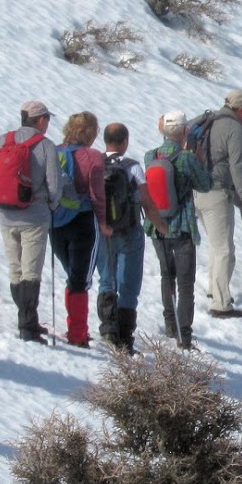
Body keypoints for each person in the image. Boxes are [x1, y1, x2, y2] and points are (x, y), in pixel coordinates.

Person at [0, 100, 61, 343]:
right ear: (39, 120)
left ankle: (26, 318)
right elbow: (54, 185)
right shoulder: (46, 146)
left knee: (16, 269)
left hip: (6, 215)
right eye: (47, 119)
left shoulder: (4, 140)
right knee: (31, 270)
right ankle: (27, 325)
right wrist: (51, 204)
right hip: (35, 216)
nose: (48, 123)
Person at [94, 122, 170, 353]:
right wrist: (160, 226)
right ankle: (125, 336)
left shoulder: (96, 164)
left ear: (105, 141)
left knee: (106, 279)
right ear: (125, 142)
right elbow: (147, 201)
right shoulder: (133, 167)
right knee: (129, 283)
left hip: (102, 229)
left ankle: (108, 329)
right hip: (129, 231)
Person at [147, 111, 212, 349]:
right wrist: (198, 156)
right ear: (184, 131)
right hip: (182, 225)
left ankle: (169, 323)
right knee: (186, 282)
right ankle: (184, 334)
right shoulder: (186, 158)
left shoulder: (150, 155)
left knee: (167, 276)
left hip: (157, 225)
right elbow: (206, 184)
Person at [196, 90, 242, 318]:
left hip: (196, 190)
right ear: (240, 109)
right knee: (224, 249)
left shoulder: (208, 119)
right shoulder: (233, 128)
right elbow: (237, 166)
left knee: (216, 245)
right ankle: (221, 304)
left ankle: (215, 292)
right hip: (216, 192)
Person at [50, 112, 107, 346]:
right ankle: (77, 333)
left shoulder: (54, 151)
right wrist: (103, 222)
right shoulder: (92, 156)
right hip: (82, 221)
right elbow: (97, 195)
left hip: (56, 221)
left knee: (71, 275)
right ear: (91, 133)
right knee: (80, 279)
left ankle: (74, 329)